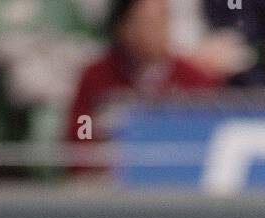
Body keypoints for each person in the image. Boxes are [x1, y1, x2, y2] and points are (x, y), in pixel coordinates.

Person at [65, 0, 218, 172]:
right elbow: (79, 135)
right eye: (147, 23)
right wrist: (96, 157)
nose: (158, 31)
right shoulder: (96, 77)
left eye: (163, 19)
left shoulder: (194, 80)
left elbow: (210, 139)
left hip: (178, 182)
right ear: (123, 27)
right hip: (110, 183)